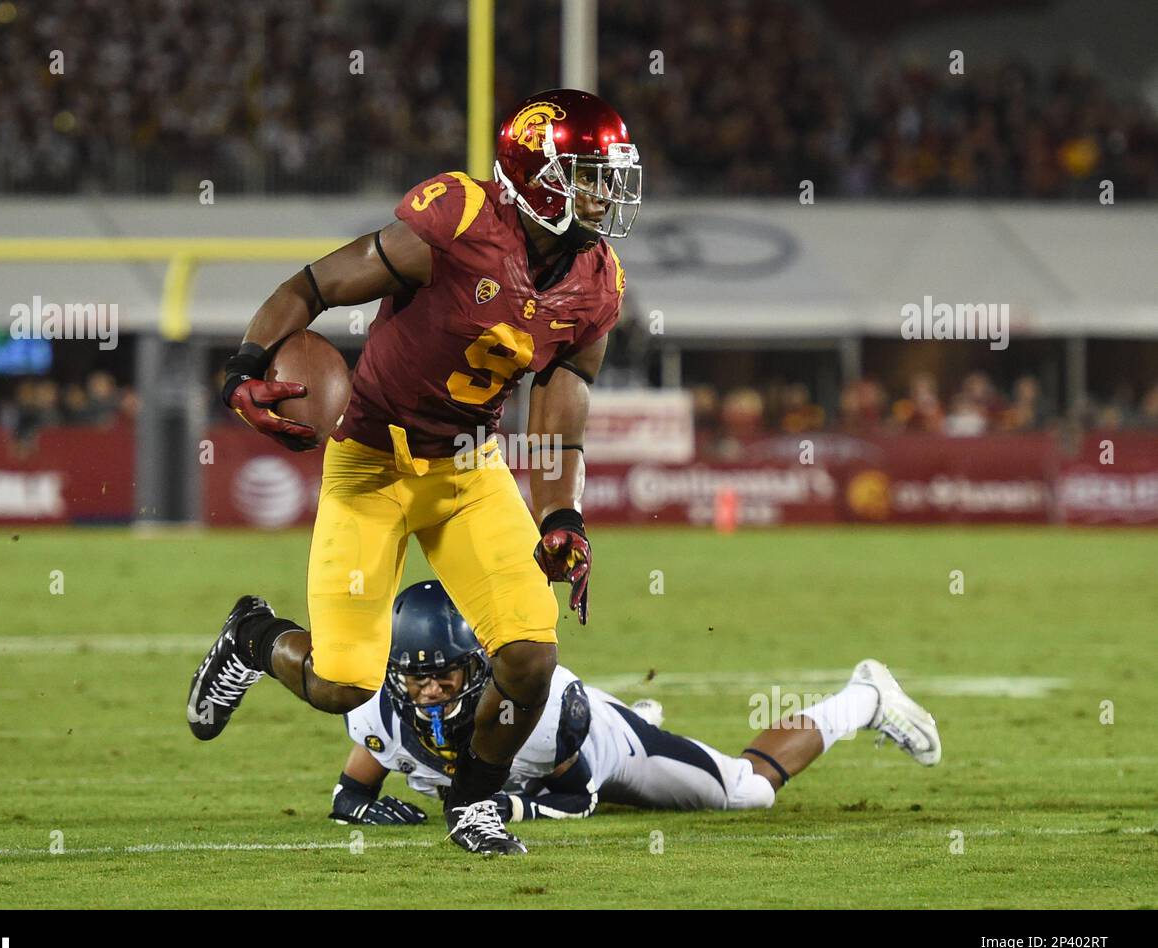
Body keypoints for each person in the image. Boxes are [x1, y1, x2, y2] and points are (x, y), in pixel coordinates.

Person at [186, 90, 642, 855]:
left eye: (610, 176)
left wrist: (564, 516)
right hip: (371, 464)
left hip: (468, 472)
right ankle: (253, 637)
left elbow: (565, 395)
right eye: (587, 174)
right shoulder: (460, 222)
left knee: (531, 656)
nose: (605, 193)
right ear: (539, 175)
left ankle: (472, 803)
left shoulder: (597, 280)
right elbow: (316, 286)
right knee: (344, 683)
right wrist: (243, 366)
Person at [326, 581, 942, 842]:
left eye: (444, 674)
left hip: (596, 750)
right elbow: (354, 785)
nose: (428, 690)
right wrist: (359, 808)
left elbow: (578, 800)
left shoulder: (534, 715)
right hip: (554, 758)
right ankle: (634, 712)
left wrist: (503, 806)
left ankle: (865, 698)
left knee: (748, 793)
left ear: (479, 668)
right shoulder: (381, 709)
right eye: (414, 674)